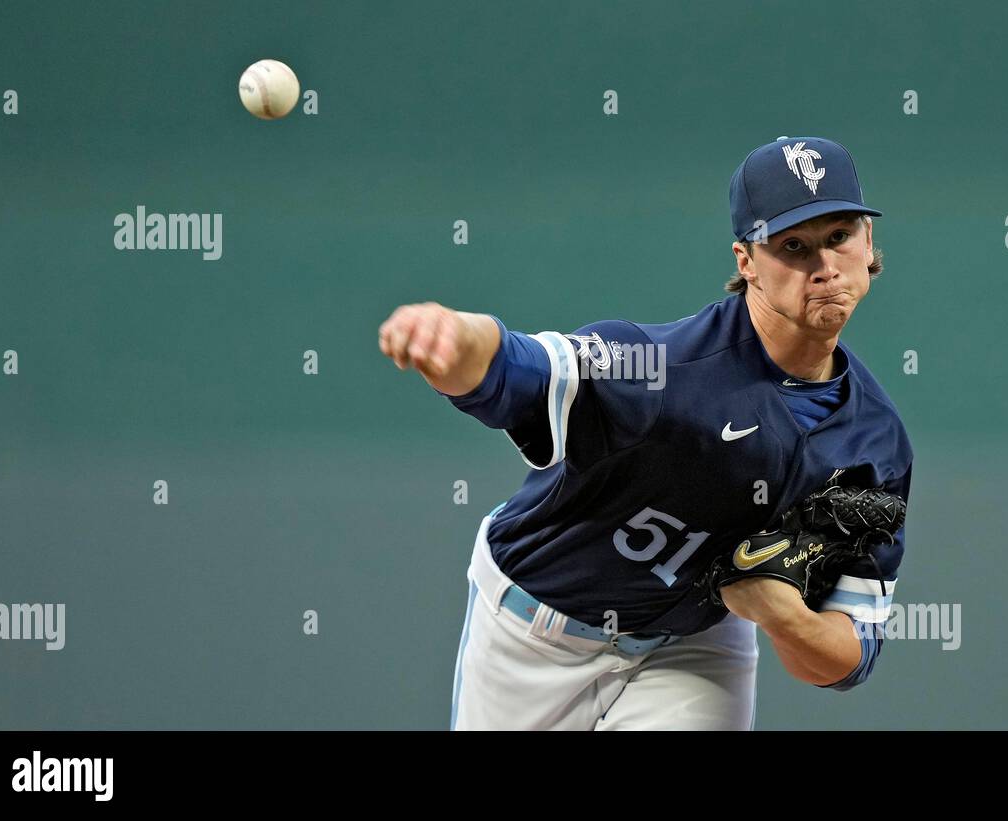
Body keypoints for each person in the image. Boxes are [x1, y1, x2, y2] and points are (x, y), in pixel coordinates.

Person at [378, 136, 913, 730]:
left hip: (689, 647)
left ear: (868, 242)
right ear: (746, 262)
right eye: (792, 246)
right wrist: (455, 334)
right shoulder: (660, 369)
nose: (823, 266)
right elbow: (515, 368)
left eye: (839, 236)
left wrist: (787, 619)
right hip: (532, 633)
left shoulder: (875, 444)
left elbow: (850, 656)